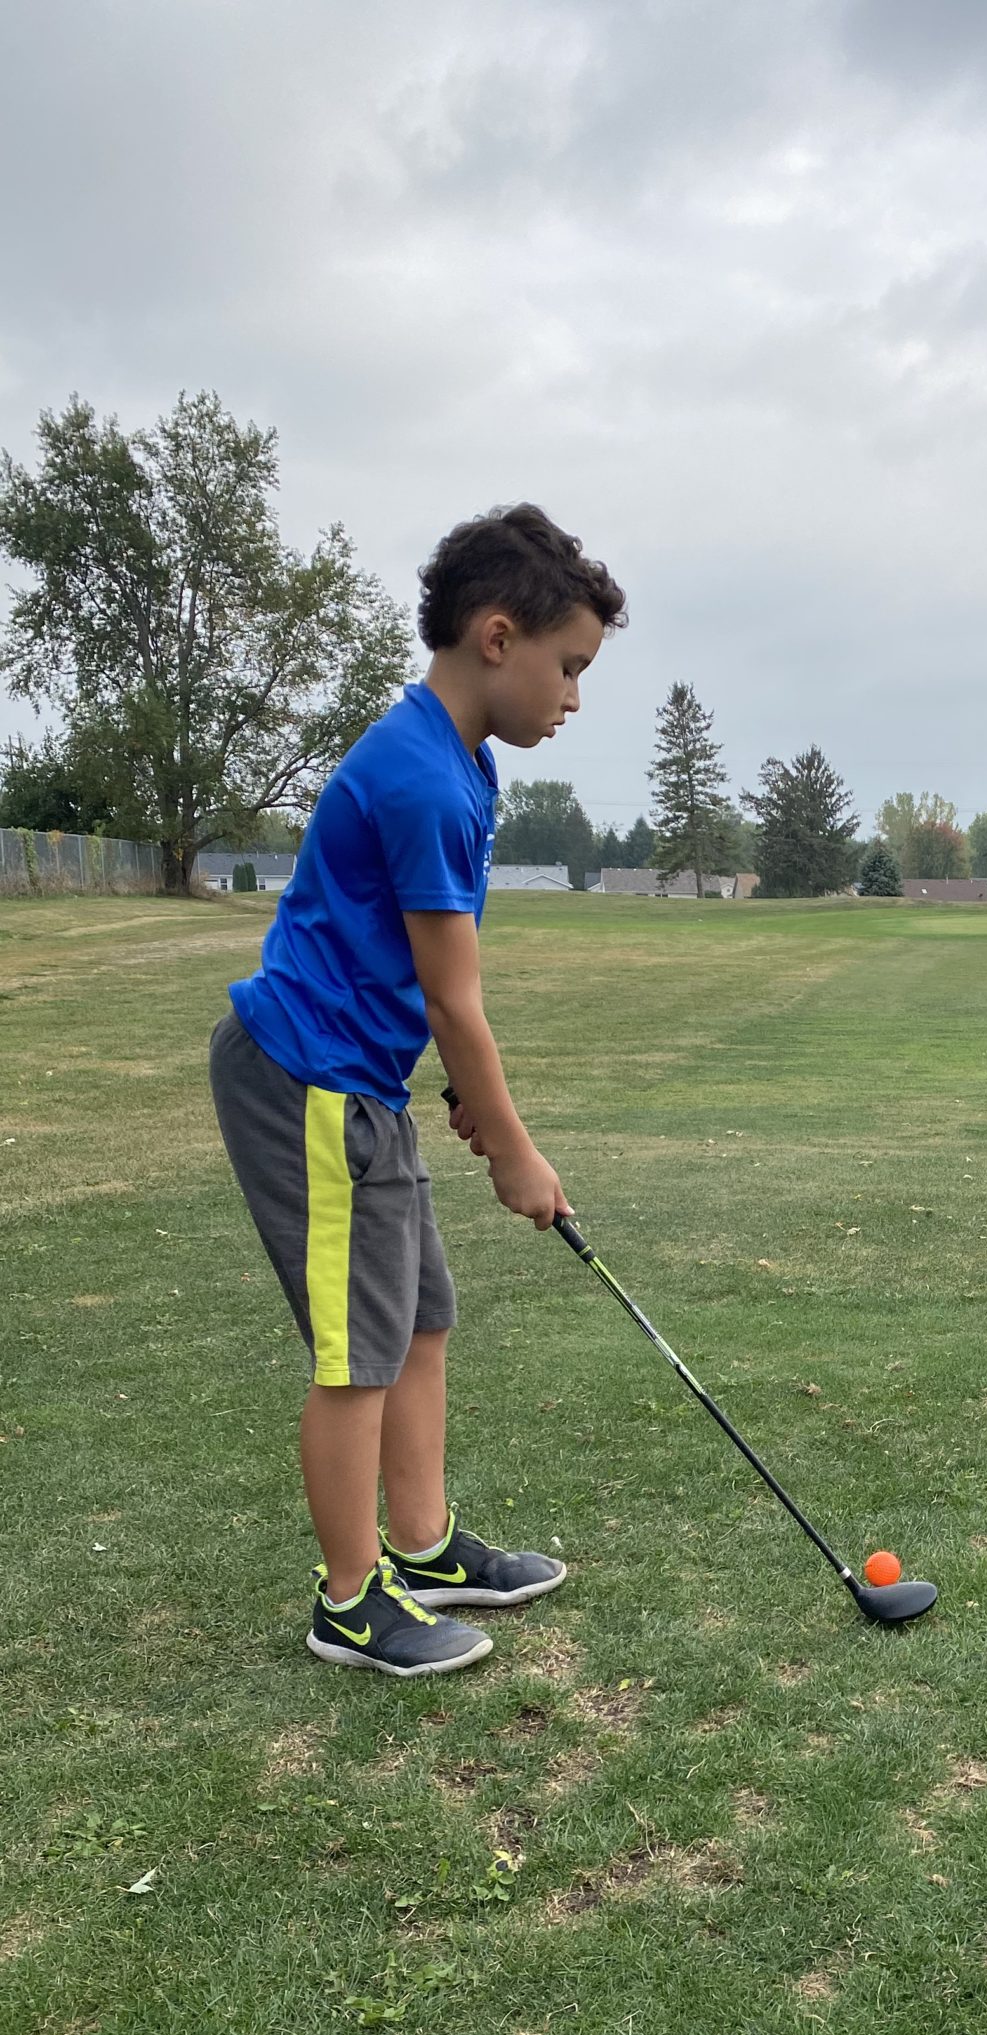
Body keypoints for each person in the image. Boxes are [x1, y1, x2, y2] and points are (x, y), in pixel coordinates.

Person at [209, 504, 626, 1674]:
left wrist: (457, 1094)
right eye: (570, 667)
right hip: (310, 1080)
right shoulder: (426, 782)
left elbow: (410, 971)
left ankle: (427, 1545)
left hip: (360, 1081)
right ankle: (350, 1603)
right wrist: (512, 1147)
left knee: (420, 1317)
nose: (574, 699)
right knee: (358, 1355)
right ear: (499, 637)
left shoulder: (459, 761)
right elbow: (456, 1000)